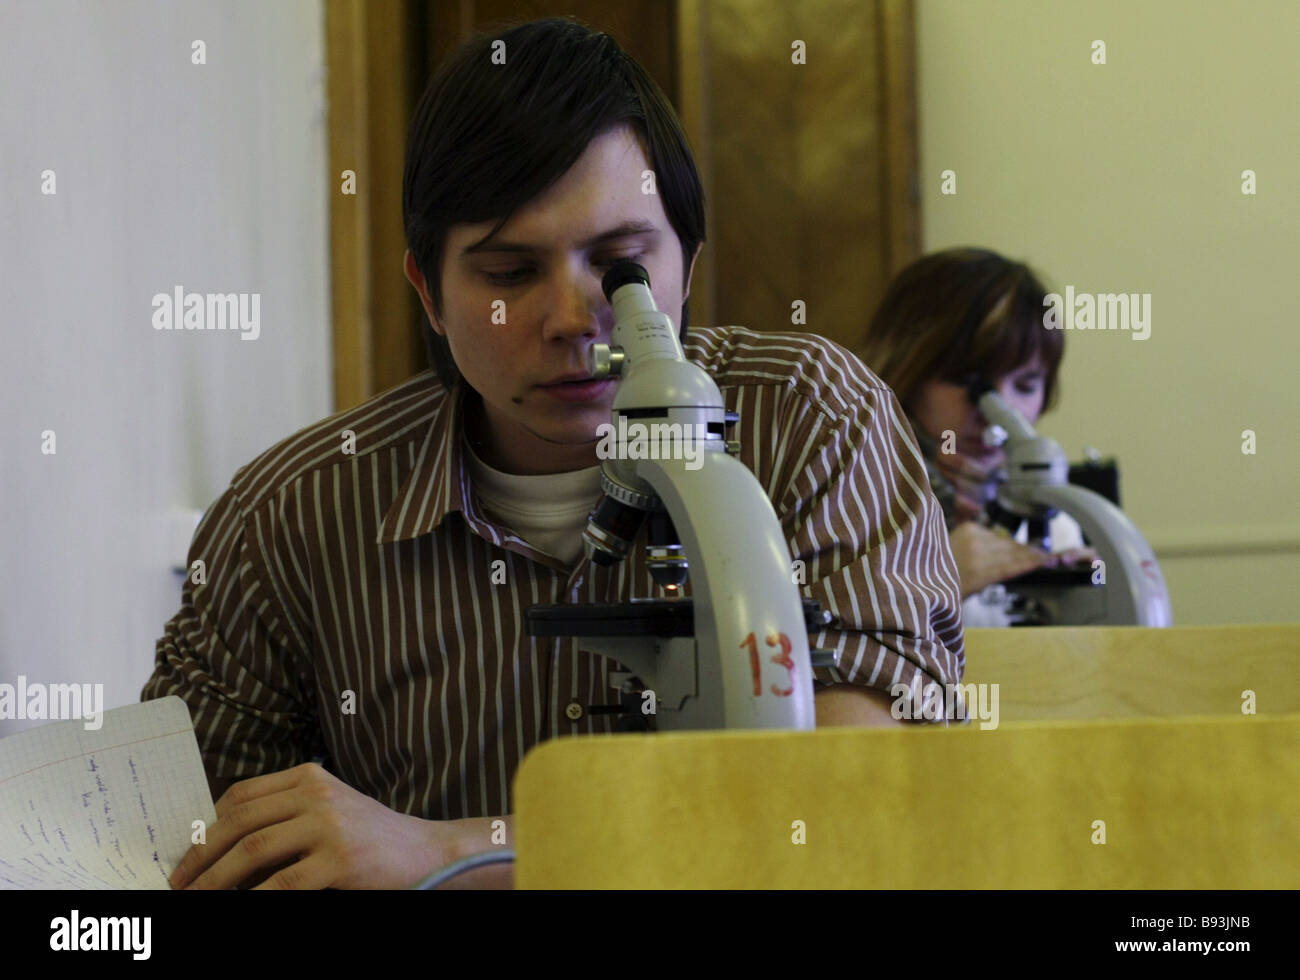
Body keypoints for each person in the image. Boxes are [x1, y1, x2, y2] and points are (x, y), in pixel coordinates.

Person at [141, 17, 963, 891]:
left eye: (620, 267)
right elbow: (191, 847)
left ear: (689, 258)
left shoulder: (811, 420)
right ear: (428, 289)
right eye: (508, 274)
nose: (573, 321)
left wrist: (451, 852)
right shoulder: (291, 514)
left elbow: (847, 809)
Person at [858, 247, 1093, 627]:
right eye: (968, 382)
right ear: (907, 372)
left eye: (1027, 384)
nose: (998, 415)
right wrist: (934, 583)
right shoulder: (846, 508)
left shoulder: (1056, 525)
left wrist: (1090, 604)